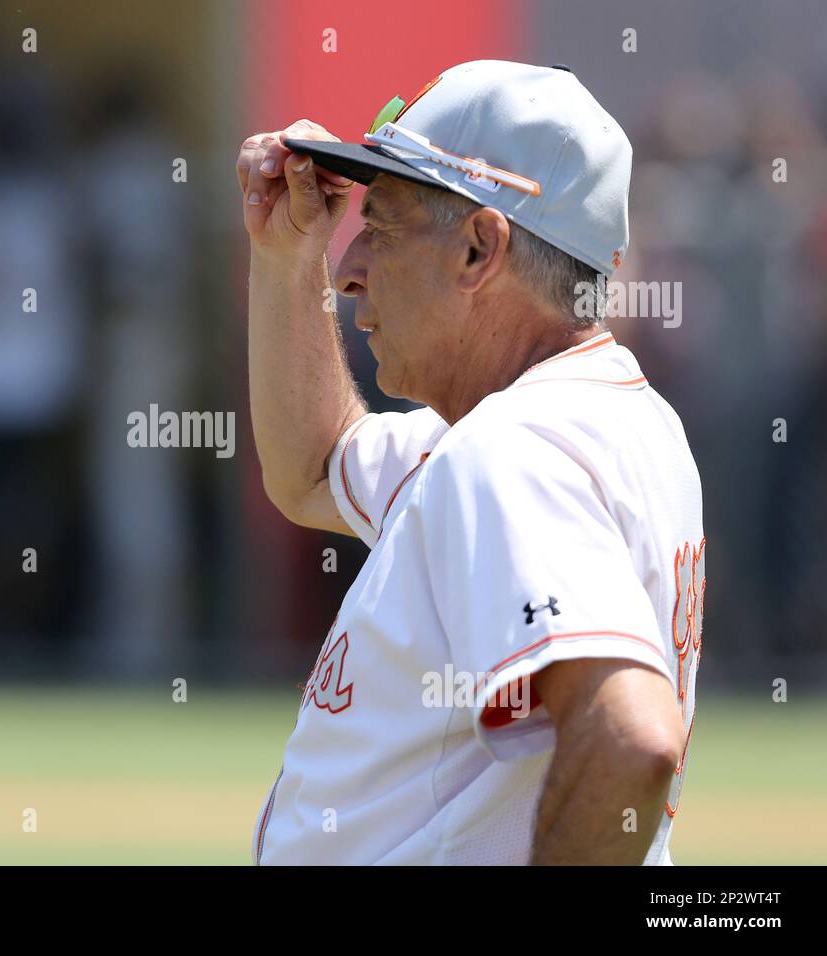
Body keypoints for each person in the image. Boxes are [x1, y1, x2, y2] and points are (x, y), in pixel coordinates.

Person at [238, 61, 705, 865]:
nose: (349, 273)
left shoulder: (510, 452)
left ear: (479, 249)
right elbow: (314, 467)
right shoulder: (605, 420)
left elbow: (631, 737)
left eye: (379, 229)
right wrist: (291, 257)